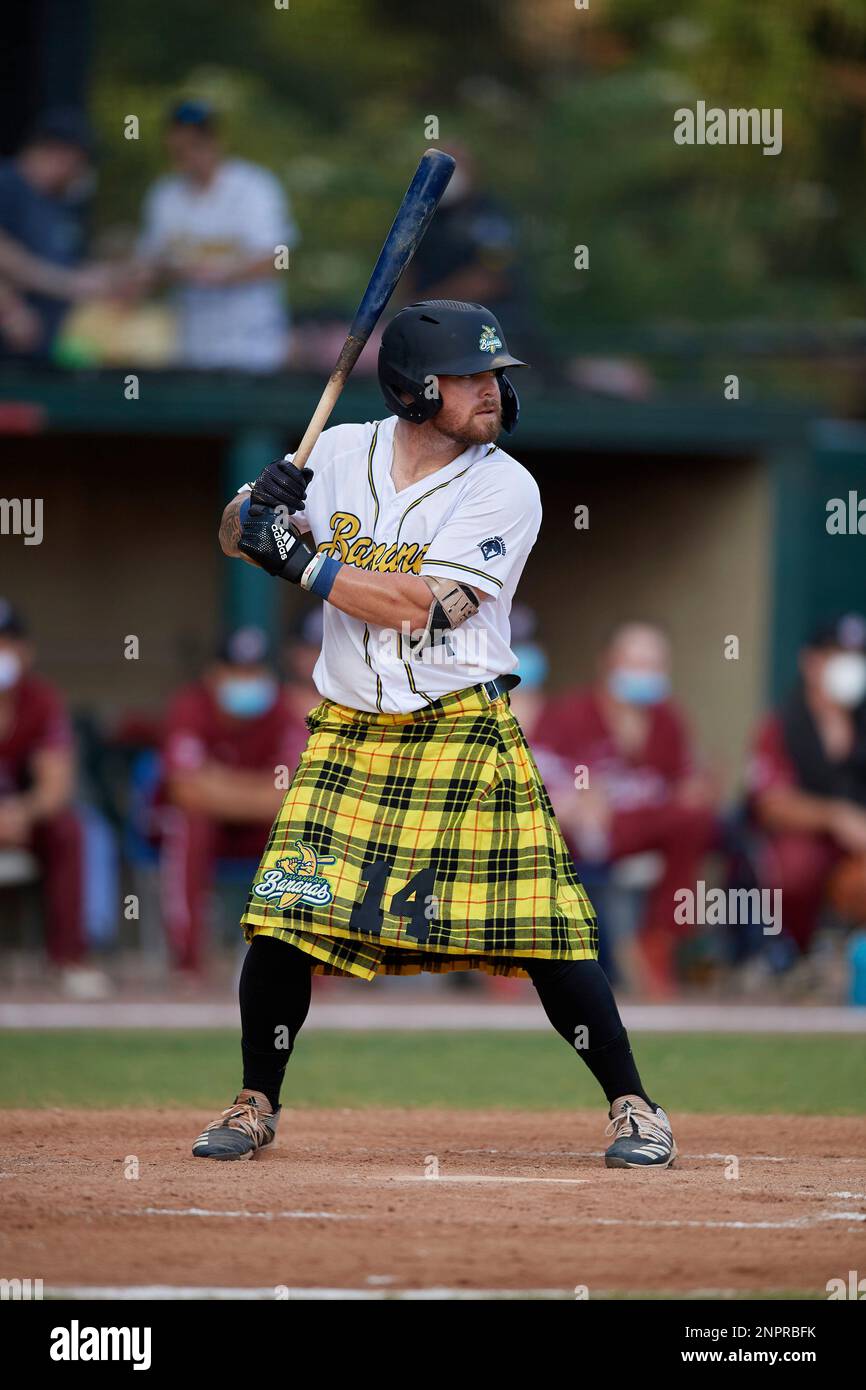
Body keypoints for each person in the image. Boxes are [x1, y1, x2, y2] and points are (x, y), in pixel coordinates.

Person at [190, 300, 678, 1170]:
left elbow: (429, 607)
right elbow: (231, 536)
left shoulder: (506, 486)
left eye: (495, 376)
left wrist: (298, 559)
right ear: (417, 390)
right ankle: (254, 1100)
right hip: (347, 728)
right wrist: (254, 515)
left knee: (543, 929)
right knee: (283, 921)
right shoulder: (335, 451)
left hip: (460, 725)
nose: (492, 391)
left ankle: (635, 1106)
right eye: (470, 378)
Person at [540, 622, 718, 997]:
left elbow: (690, 781)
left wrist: (697, 789)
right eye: (635, 661)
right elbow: (532, 778)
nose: (645, 672)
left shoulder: (667, 718)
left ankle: (657, 941)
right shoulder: (571, 712)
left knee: (696, 820)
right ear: (609, 662)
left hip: (640, 827)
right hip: (574, 832)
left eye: (654, 664)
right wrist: (575, 800)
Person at [157, 626, 308, 976]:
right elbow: (186, 791)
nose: (246, 680)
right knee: (189, 824)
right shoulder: (190, 706)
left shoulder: (284, 710)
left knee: (303, 830)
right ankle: (189, 965)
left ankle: (301, 962)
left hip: (258, 833)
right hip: (205, 829)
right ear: (214, 673)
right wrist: (254, 790)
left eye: (254, 671)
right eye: (236, 671)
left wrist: (217, 781)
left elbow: (291, 797)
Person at [135, 100, 299, 372]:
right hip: (187, 342)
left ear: (215, 141)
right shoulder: (165, 195)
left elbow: (278, 259)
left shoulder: (254, 186)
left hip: (253, 343)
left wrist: (218, 274)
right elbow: (148, 264)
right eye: (181, 145)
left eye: (197, 142)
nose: (190, 153)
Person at [0, 600, 109, 998]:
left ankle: (68, 960)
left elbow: (55, 786)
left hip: (21, 822)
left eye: (6, 642)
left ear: (24, 651)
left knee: (70, 829)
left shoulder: (41, 700)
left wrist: (20, 812)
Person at [747, 613, 866, 957]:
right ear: (810, 663)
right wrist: (834, 817)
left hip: (856, 851)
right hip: (803, 844)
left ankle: (848, 960)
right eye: (835, 656)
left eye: (856, 657)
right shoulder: (782, 723)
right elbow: (770, 803)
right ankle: (792, 952)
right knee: (796, 865)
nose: (848, 666)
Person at [0, 109, 112, 359]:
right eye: (80, 161)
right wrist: (9, 310)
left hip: (45, 353)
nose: (81, 171)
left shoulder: (59, 202)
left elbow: (65, 266)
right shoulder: (7, 183)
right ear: (60, 153)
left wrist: (105, 278)